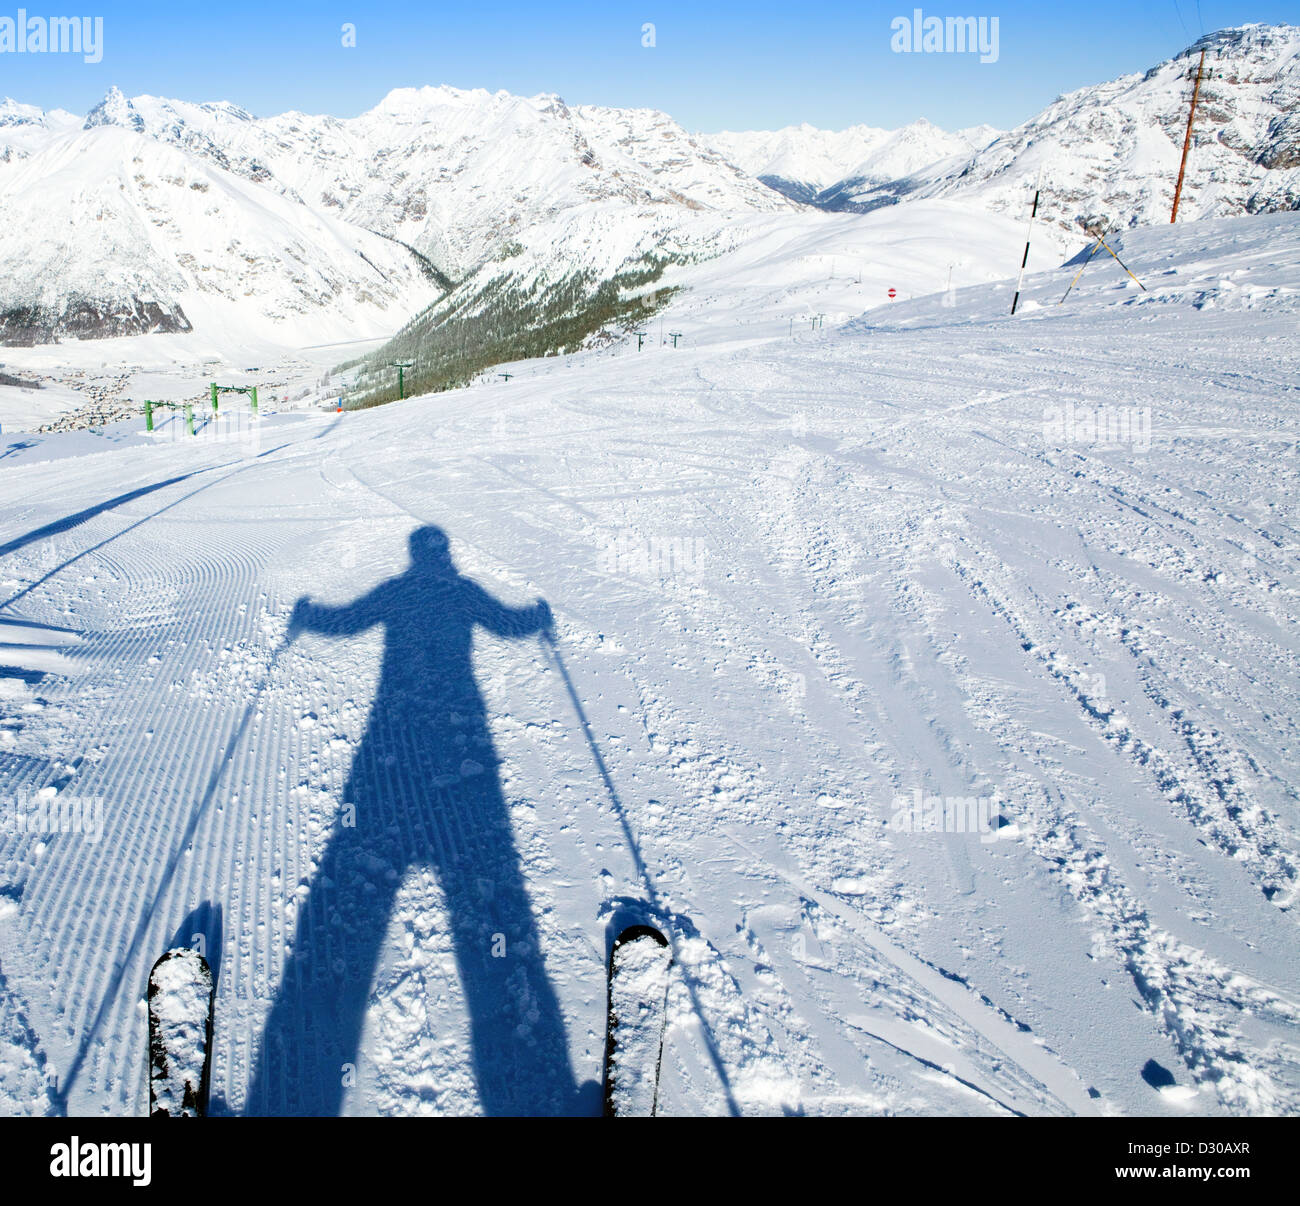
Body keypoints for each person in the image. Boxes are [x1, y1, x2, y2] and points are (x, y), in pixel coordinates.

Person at [247, 525, 574, 1114]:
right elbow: (505, 623)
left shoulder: (399, 591)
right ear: (442, 557)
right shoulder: (462, 591)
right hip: (453, 734)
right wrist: (537, 620)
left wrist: (307, 616)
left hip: (394, 735)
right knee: (479, 871)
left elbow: (347, 621)